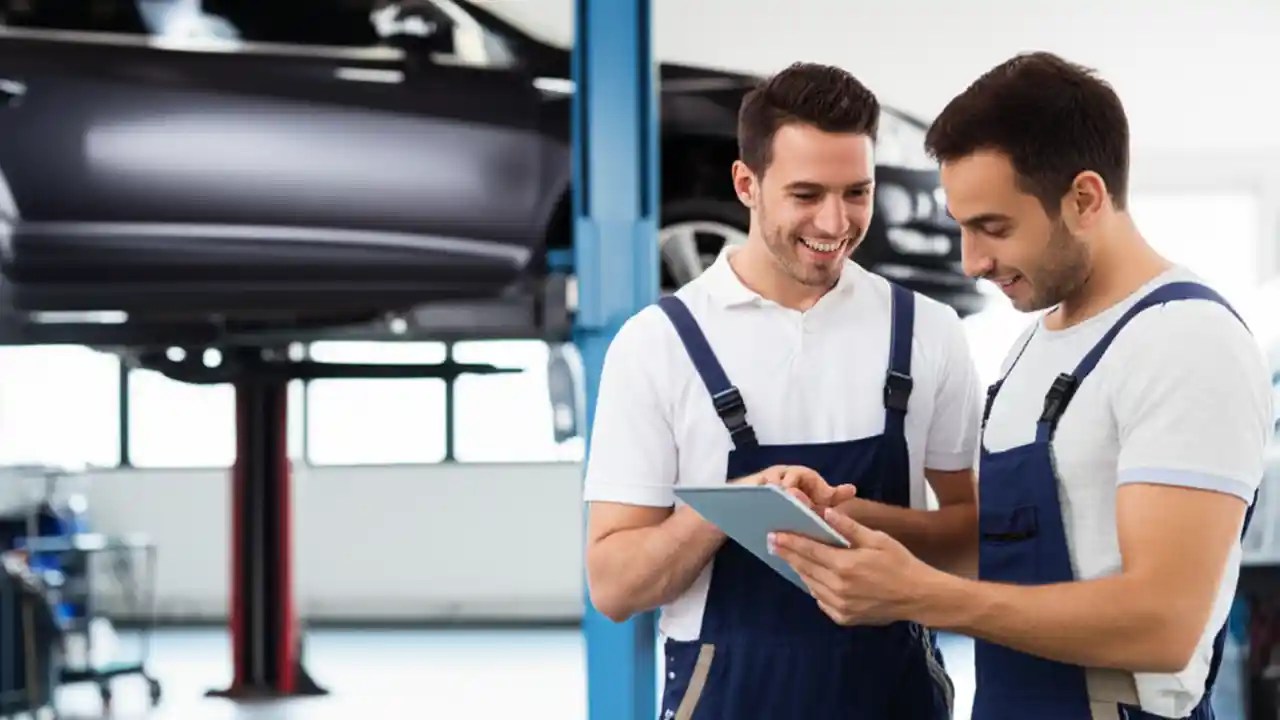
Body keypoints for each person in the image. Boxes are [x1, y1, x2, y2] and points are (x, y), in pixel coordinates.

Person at [769, 51, 1273, 720]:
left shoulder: (1184, 341)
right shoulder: (1039, 339)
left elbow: (1162, 622)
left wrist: (918, 595)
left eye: (994, 228)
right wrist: (844, 524)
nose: (972, 262)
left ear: (1085, 199)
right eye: (961, 227)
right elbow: (1017, 544)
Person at [581, 61, 984, 720]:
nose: (835, 223)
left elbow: (971, 542)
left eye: (857, 192)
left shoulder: (928, 333)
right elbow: (616, 586)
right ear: (747, 184)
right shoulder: (659, 344)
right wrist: (730, 510)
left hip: (894, 693)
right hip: (725, 697)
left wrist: (845, 523)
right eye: (806, 194)